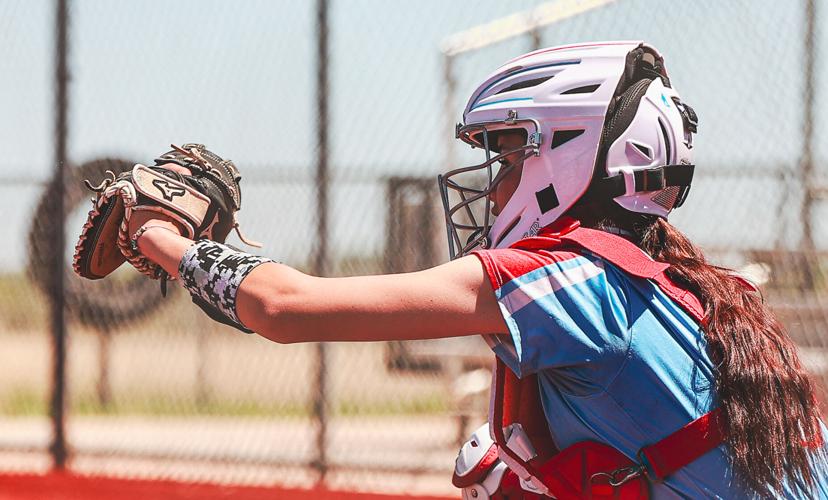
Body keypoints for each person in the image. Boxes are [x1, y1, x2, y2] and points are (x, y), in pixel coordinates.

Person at [111, 42, 828, 498]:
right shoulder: (687, 288)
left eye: (512, 156)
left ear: (573, 157)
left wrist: (158, 234)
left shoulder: (578, 284)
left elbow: (284, 307)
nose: (494, 185)